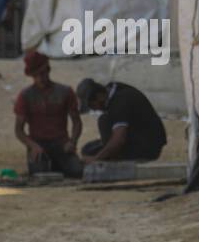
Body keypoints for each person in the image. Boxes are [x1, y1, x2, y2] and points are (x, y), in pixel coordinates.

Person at [13, 50, 83, 178]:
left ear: (48, 70)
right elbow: (19, 130)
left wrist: (72, 142)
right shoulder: (25, 96)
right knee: (40, 174)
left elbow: (76, 122)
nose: (40, 78)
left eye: (42, 73)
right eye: (36, 75)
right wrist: (32, 146)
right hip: (38, 144)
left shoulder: (65, 92)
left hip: (61, 143)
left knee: (77, 171)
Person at [75, 78, 167, 163]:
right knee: (88, 149)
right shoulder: (114, 91)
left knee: (103, 121)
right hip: (139, 138)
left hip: (147, 147)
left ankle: (115, 159)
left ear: (99, 96)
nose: (94, 110)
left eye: (92, 106)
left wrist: (96, 159)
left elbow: (119, 140)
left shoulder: (120, 102)